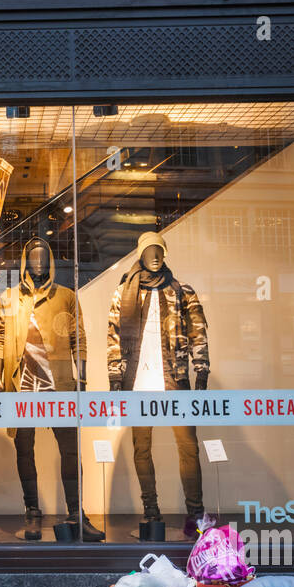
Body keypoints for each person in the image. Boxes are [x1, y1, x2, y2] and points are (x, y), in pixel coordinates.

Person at [0, 237, 103, 541]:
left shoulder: (65, 296)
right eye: (33, 257)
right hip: (22, 383)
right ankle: (32, 512)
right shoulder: (9, 297)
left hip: (59, 384)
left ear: (51, 261)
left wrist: (81, 381)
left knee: (70, 448)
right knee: (24, 447)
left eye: (43, 257)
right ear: (26, 262)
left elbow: (78, 338)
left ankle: (76, 513)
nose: (38, 262)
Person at [107, 231, 210, 539]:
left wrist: (201, 370)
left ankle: (196, 515)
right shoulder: (123, 291)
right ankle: (151, 513)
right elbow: (113, 336)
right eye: (148, 250)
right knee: (142, 448)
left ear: (165, 254)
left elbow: (199, 333)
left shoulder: (182, 291)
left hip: (174, 378)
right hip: (137, 380)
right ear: (140, 254)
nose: (154, 255)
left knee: (188, 446)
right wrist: (115, 377)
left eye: (159, 250)